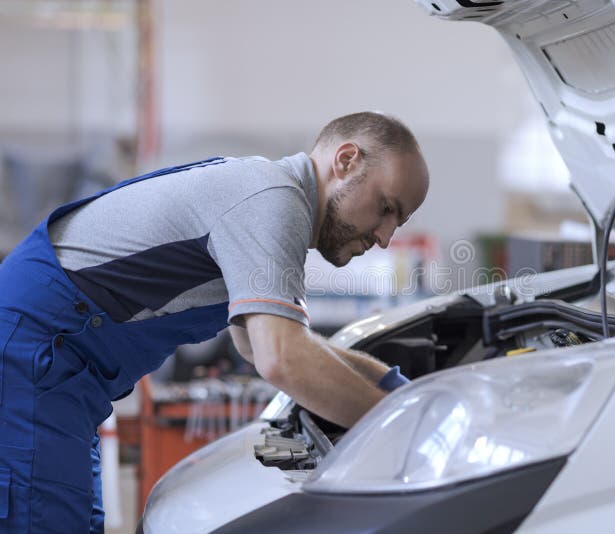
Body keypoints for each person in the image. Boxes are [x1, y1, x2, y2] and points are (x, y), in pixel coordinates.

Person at [0, 111, 429, 532]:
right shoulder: (273, 201)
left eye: (399, 221)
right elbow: (282, 359)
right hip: (33, 352)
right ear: (346, 160)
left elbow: (264, 342)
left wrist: (395, 392)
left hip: (56, 367)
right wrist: (402, 431)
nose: (385, 237)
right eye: (386, 208)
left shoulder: (269, 193)